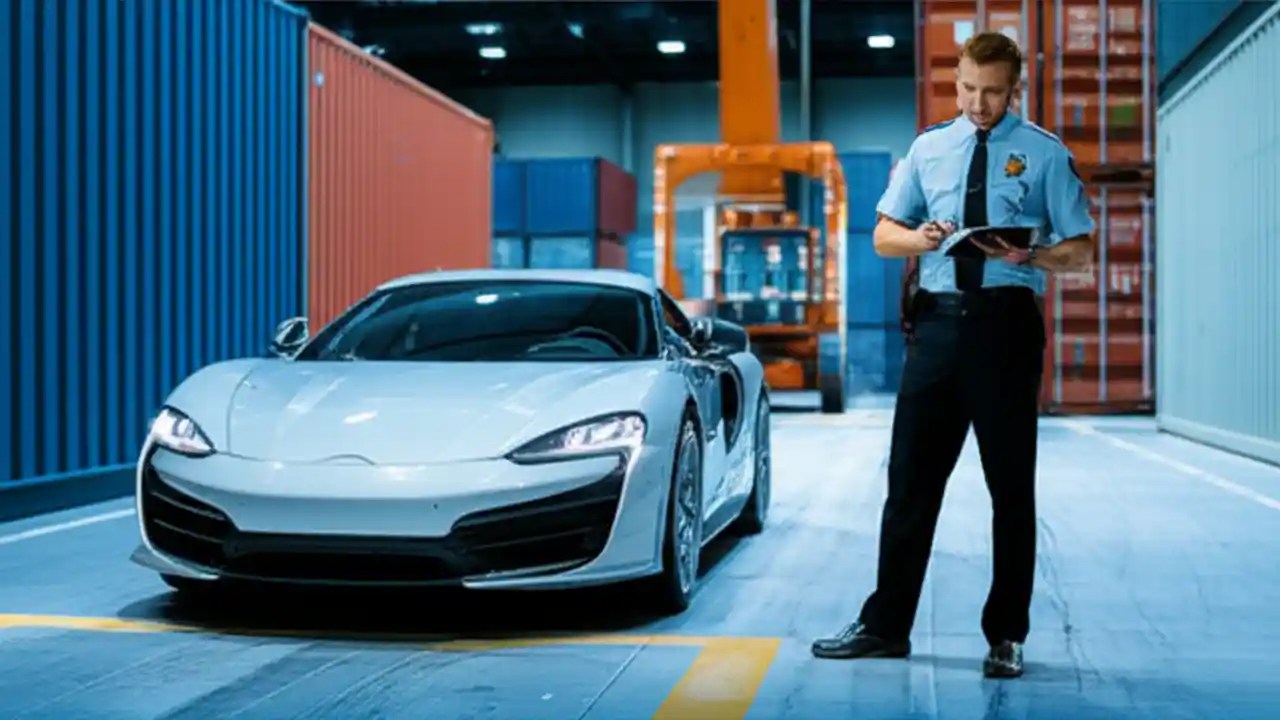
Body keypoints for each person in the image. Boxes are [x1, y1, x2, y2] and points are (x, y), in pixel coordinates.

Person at [810, 31, 1096, 678]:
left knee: (1010, 489)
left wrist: (1033, 255)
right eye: (967, 88)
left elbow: (1081, 249)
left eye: (992, 92)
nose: (977, 103)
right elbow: (884, 236)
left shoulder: (1044, 154)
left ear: (1014, 88)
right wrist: (921, 237)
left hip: (1005, 330)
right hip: (937, 328)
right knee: (910, 483)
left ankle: (1006, 636)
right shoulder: (929, 148)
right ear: (957, 80)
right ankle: (886, 626)